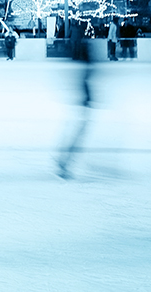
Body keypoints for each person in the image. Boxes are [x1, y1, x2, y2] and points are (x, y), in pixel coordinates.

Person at [57, 18, 94, 180]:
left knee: (76, 131)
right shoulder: (84, 66)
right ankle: (64, 162)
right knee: (77, 132)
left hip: (81, 101)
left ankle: (64, 161)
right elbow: (84, 80)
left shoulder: (79, 62)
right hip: (82, 103)